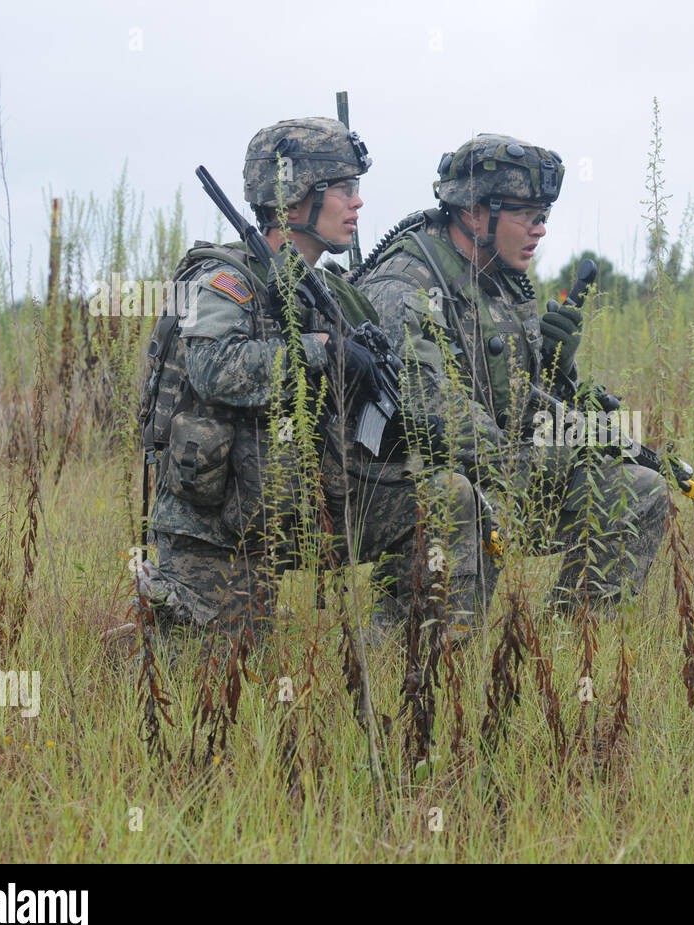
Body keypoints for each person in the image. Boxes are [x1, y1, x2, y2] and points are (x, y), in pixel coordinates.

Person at [133, 117, 492, 662]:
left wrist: (408, 425)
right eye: (344, 189)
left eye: (357, 188)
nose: (357, 203)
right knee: (210, 680)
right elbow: (212, 366)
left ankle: (402, 658)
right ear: (296, 202)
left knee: (446, 497)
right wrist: (320, 351)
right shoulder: (227, 282)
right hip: (220, 523)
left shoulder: (329, 292)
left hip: (305, 503)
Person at [353, 134, 668, 620]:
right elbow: (432, 409)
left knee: (638, 490)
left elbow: (517, 402)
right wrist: (558, 449)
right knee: (471, 499)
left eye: (544, 216)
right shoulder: (406, 282)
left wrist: (560, 375)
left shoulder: (500, 281)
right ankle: (411, 653)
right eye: (527, 215)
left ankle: (568, 648)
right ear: (477, 213)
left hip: (491, 468)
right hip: (402, 477)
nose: (540, 230)